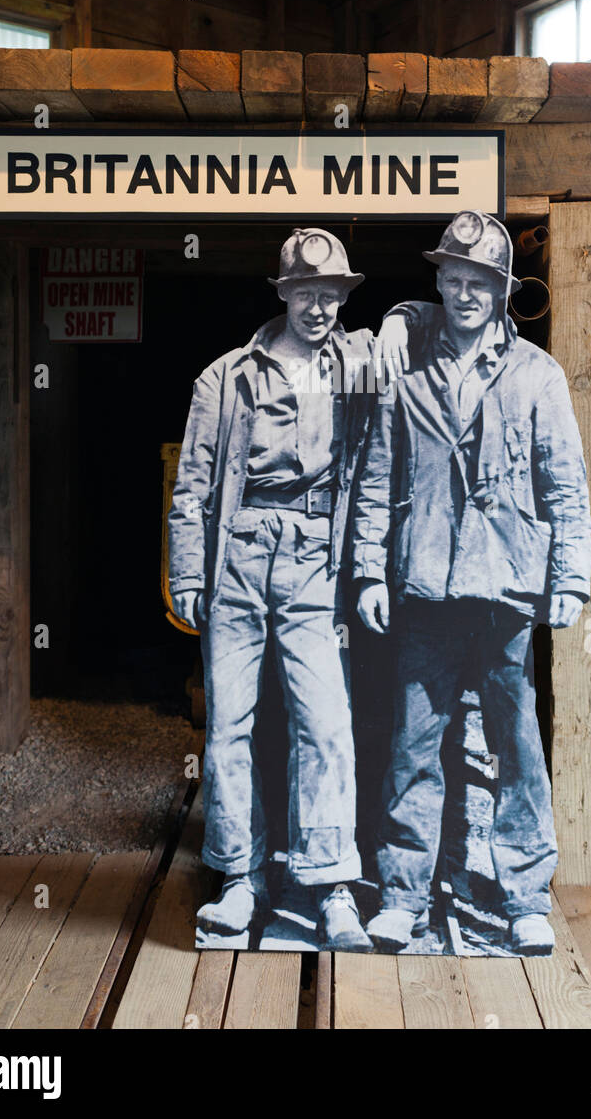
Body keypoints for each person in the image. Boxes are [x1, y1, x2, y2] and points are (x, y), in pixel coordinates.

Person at [352, 210, 591, 956]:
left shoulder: (537, 375)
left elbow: (566, 486)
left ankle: (522, 897)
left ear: (499, 290)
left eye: (477, 283)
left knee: (515, 747)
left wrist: (570, 579)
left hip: (507, 589)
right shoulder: (408, 377)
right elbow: (374, 481)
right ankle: (401, 897)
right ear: (440, 285)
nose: (463, 294)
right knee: (412, 746)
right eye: (452, 280)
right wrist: (367, 570)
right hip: (424, 586)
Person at [167, 227, 377, 951]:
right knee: (229, 724)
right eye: (306, 294)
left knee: (325, 722)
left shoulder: (357, 367)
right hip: (237, 559)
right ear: (283, 295)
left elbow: (416, 347)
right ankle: (237, 878)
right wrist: (188, 573)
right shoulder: (224, 378)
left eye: (331, 296)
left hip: (313, 561)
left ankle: (329, 882)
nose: (319, 308)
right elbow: (191, 488)